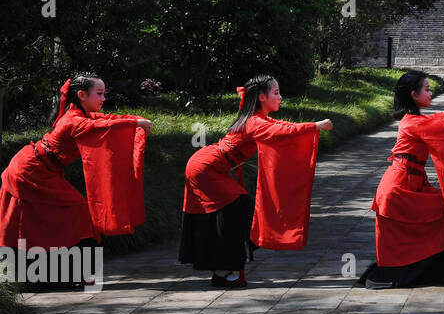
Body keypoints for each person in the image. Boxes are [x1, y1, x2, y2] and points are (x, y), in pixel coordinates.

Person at [0, 73, 151, 289]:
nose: (103, 98)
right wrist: (135, 122)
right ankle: (78, 275)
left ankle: (65, 275)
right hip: (31, 171)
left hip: (40, 169)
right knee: (80, 212)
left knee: (48, 218)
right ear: (81, 95)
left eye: (103, 93)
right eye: (99, 93)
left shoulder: (77, 113)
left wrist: (133, 122)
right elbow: (101, 128)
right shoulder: (74, 119)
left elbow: (105, 120)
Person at [179, 74, 330, 288]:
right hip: (205, 168)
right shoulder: (254, 122)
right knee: (241, 212)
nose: (280, 97)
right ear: (261, 97)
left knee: (236, 215)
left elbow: (280, 126)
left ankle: (224, 268)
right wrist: (316, 125)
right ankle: (225, 267)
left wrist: (313, 126)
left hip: (210, 167)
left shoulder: (257, 119)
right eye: (276, 93)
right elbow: (282, 131)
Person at [358, 71, 444, 289]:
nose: (430, 93)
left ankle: (430, 271)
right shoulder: (413, 123)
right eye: (427, 89)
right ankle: (419, 272)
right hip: (399, 189)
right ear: (414, 95)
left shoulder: (415, 119)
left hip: (407, 184)